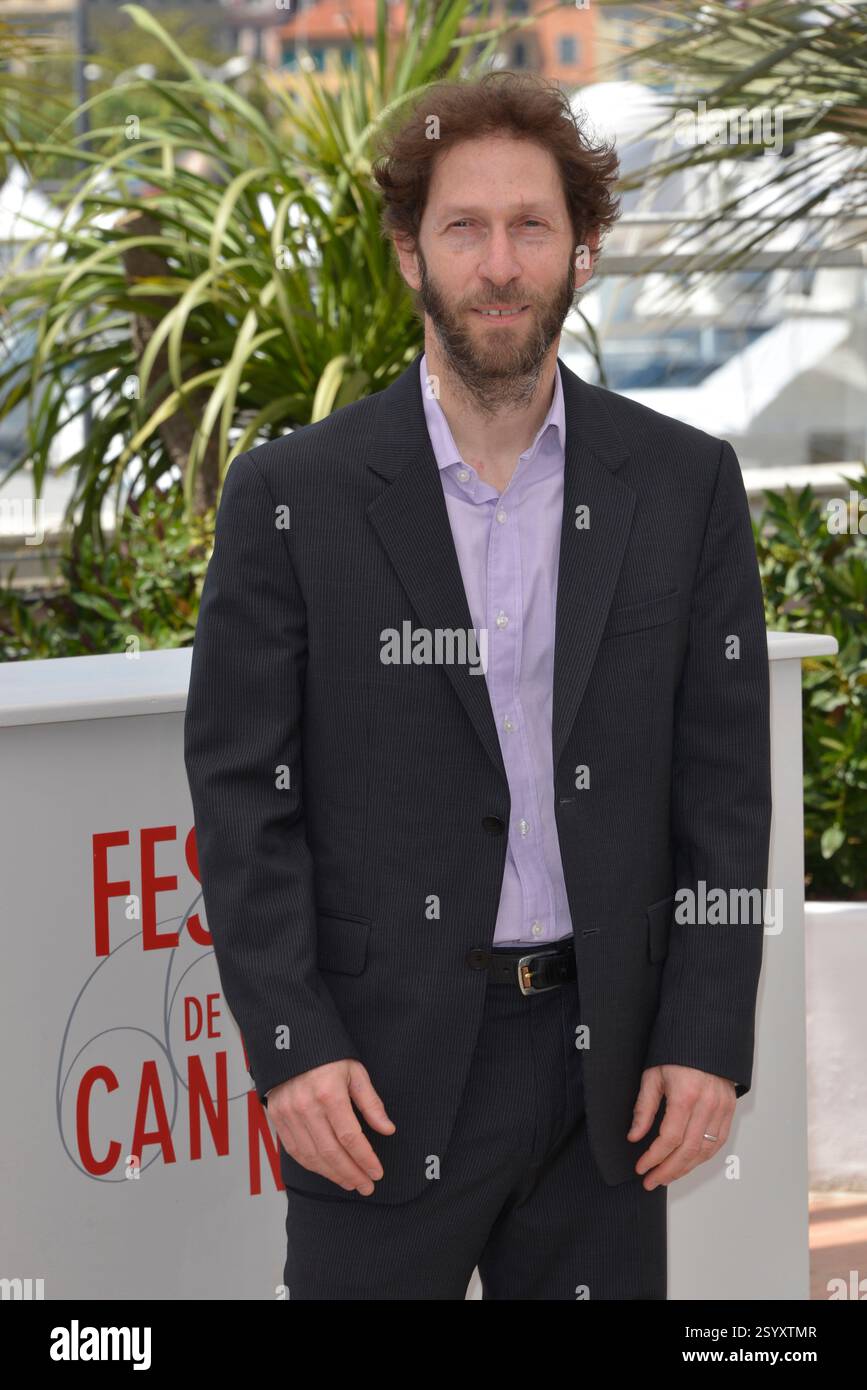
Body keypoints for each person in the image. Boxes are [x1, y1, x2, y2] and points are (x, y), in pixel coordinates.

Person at [183, 72, 772, 1300]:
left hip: (607, 1081)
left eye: (531, 227)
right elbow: (245, 802)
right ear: (409, 253)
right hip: (375, 1084)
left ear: (583, 250)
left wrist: (707, 1039)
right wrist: (292, 1051)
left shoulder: (684, 484)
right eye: (464, 227)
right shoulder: (293, 499)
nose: (499, 264)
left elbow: (723, 789)